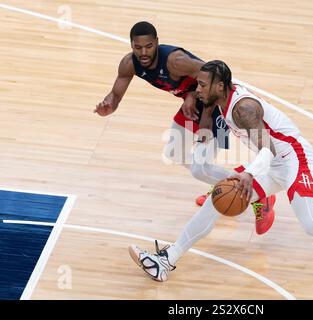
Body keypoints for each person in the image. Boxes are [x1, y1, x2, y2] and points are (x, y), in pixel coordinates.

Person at [129, 60, 313, 285]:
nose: (198, 90)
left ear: (220, 85)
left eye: (202, 85)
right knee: (218, 199)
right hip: (275, 162)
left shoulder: (243, 109)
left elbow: (268, 150)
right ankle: (167, 259)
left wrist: (249, 174)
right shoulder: (222, 101)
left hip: (294, 159)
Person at [94, 22, 275, 235]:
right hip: (192, 105)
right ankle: (225, 185)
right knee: (174, 153)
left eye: (149, 46)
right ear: (131, 45)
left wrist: (205, 114)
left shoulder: (175, 61)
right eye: (138, 47)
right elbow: (115, 96)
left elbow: (215, 75)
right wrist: (109, 105)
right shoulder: (129, 63)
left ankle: (259, 193)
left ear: (157, 43)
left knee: (200, 168)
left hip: (214, 104)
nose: (143, 52)